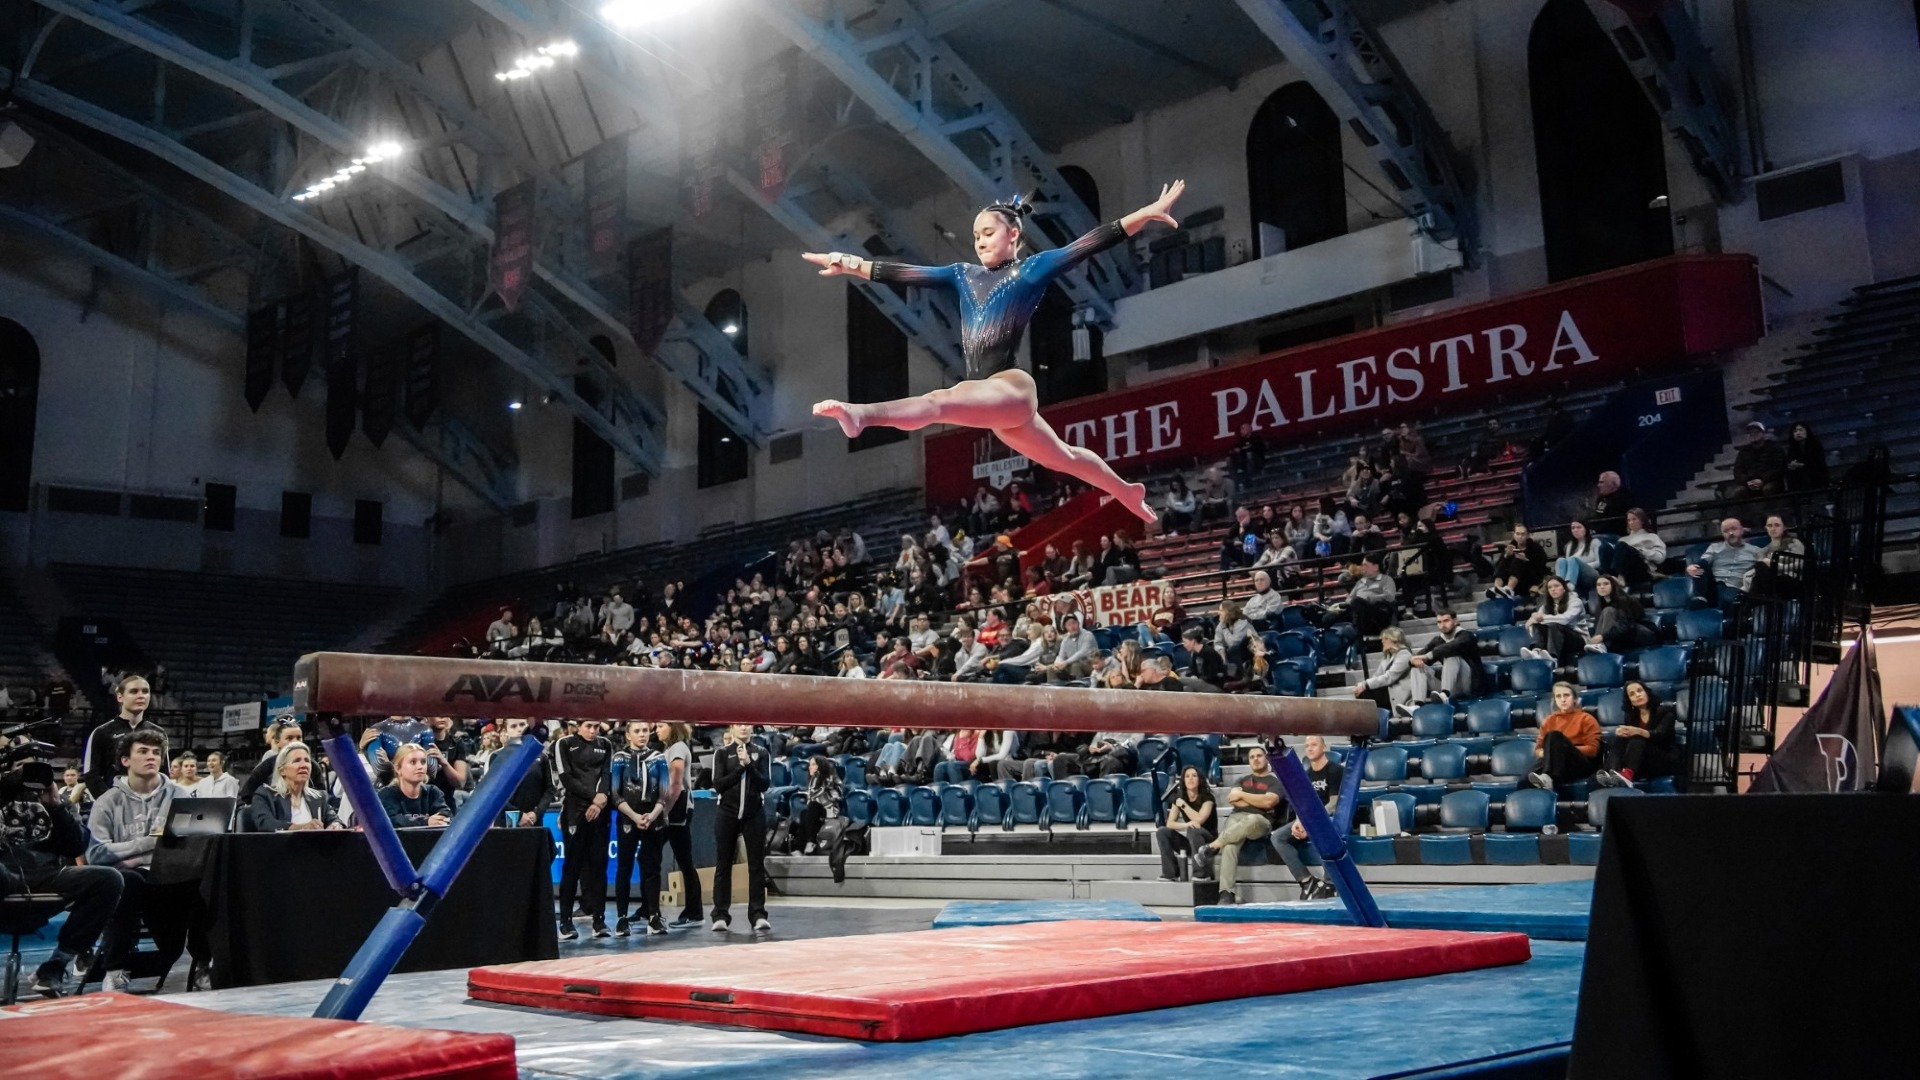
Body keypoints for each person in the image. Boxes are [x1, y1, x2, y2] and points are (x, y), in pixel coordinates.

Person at [806, 181, 1190, 524]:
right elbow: (905, 274)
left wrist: (1145, 213)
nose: (981, 241)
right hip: (995, 407)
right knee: (1066, 458)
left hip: (1011, 386)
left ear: (1014, 234)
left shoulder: (1029, 271)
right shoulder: (961, 274)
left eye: (988, 232)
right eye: (976, 236)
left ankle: (863, 415)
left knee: (940, 401)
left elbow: (1089, 243)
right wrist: (850, 263)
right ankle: (1126, 490)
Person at [7, 767, 124, 998]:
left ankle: (55, 966)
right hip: (3, 876)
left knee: (108, 879)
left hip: (46, 877)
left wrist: (55, 806)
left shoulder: (54, 799)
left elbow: (77, 846)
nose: (25, 774)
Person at [1191, 745, 1283, 905]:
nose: (1255, 759)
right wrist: (1254, 798)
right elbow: (1232, 799)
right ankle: (1226, 893)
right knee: (1230, 847)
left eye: (1259, 755)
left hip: (1261, 821)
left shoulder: (1274, 781)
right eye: (1252, 757)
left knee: (1252, 819)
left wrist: (1243, 795)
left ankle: (1213, 846)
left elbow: (1269, 802)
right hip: (1237, 817)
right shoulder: (1241, 780)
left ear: (1266, 759)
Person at [553, 718, 613, 940]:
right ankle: (566, 922)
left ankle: (599, 920)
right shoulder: (564, 744)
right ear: (577, 726)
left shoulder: (605, 744)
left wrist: (600, 800)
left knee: (599, 866)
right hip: (575, 812)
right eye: (588, 726)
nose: (593, 730)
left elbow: (606, 775)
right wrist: (593, 799)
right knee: (572, 866)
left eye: (596, 726)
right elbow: (566, 778)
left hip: (600, 811)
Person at [710, 724, 771, 934]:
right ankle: (720, 914)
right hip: (727, 813)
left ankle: (758, 914)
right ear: (732, 728)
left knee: (756, 865)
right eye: (739, 725)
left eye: (747, 724)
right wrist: (740, 767)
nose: (743, 728)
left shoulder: (761, 752)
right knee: (723, 864)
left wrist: (750, 765)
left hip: (753, 814)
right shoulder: (722, 753)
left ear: (752, 728)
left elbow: (764, 784)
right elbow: (718, 784)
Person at [1271, 735, 1342, 900]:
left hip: (1330, 818)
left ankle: (1330, 884)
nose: (1309, 748)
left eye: (1314, 745)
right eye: (1307, 745)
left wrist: (1309, 823)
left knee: (1322, 829)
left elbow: (1333, 804)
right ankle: (1307, 882)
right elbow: (1300, 804)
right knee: (1277, 837)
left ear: (1323, 747)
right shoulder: (1306, 775)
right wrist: (1299, 821)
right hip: (1308, 819)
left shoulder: (1335, 770)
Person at [645, 722, 701, 931]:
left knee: (682, 860)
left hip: (676, 809)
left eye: (660, 726)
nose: (656, 730)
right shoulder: (669, 749)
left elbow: (676, 784)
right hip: (672, 808)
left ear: (673, 727)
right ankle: (648, 907)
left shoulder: (677, 748)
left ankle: (694, 911)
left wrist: (664, 812)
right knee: (653, 856)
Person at [80, 674, 167, 796]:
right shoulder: (102, 732)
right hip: (114, 803)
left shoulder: (158, 732)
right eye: (134, 691)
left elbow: (164, 772)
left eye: (145, 691)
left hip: (150, 804)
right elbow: (91, 773)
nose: (141, 696)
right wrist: (110, 801)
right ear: (120, 697)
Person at [608, 721, 656, 936]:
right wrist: (635, 816)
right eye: (637, 731)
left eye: (645, 730)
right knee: (624, 868)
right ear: (628, 735)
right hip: (628, 818)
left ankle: (654, 915)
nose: (642, 735)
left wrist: (652, 815)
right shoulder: (619, 759)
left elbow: (663, 793)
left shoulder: (657, 757)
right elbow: (616, 794)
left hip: (652, 818)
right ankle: (621, 917)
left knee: (652, 868)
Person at [1593, 681, 1682, 788]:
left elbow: (1659, 735)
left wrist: (1637, 731)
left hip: (1663, 759)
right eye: (1632, 694)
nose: (1637, 695)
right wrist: (1622, 732)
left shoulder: (1665, 712)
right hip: (1642, 762)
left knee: (1637, 739)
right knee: (1621, 739)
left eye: (1639, 691)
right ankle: (1611, 772)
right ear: (1630, 701)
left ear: (1647, 692)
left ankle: (1627, 774)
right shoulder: (1631, 717)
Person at [245, 743, 342, 831]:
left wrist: (335, 825)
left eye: (307, 760)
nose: (304, 765)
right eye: (296, 761)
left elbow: (335, 819)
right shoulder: (265, 794)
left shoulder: (319, 797)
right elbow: (265, 824)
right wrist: (303, 827)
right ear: (282, 770)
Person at [1528, 682, 1601, 789]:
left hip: (1579, 763)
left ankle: (1549, 777)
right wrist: (1546, 752)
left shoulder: (1586, 719)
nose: (1563, 699)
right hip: (1554, 759)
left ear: (1575, 699)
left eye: (1566, 695)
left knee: (1554, 736)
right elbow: (1538, 749)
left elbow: (1593, 750)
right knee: (1524, 781)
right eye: (1558, 696)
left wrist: (1563, 749)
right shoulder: (1549, 720)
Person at [1154, 765, 1215, 882]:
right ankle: (1170, 873)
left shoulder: (1208, 798)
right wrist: (1185, 825)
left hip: (1210, 843)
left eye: (1194, 776)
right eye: (1187, 776)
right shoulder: (1180, 798)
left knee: (1193, 829)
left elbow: (1199, 820)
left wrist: (1183, 805)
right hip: (1192, 841)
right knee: (1162, 832)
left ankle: (1200, 874)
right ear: (1183, 780)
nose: (1190, 779)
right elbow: (1170, 823)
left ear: (1200, 779)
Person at [1351, 626, 1429, 715]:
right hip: (1389, 690)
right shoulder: (1388, 656)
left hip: (1400, 692)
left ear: (1395, 640)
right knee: (1363, 692)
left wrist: (1365, 684)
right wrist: (1363, 685)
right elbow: (1377, 675)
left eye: (1386, 638)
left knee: (1366, 693)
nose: (1382, 641)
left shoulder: (1404, 654)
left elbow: (1390, 677)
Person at [375, 744, 453, 828]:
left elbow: (446, 815)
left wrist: (439, 820)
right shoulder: (386, 795)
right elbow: (392, 821)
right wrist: (426, 822)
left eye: (423, 762)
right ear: (398, 768)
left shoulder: (433, 792)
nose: (420, 767)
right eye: (413, 762)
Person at [1409, 608, 1479, 701]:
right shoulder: (1438, 640)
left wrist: (1428, 655)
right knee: (1417, 667)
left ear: (1455, 621)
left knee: (1451, 655)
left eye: (1446, 621)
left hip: (1468, 684)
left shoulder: (1466, 636)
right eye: (1439, 622)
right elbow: (1421, 655)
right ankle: (1418, 704)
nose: (1443, 625)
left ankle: (1445, 694)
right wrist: (1413, 660)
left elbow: (1453, 646)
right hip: (1450, 685)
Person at [1687, 517, 1760, 606]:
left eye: (1734, 529)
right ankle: (1700, 598)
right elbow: (1704, 562)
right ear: (1723, 534)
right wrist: (1691, 567)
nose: (1730, 533)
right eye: (1726, 531)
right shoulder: (1715, 547)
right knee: (1701, 565)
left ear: (1742, 530)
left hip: (1738, 587)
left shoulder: (1755, 551)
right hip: (1714, 587)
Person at [498, 717, 555, 827]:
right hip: (508, 821)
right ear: (505, 731)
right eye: (513, 726)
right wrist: (518, 816)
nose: (519, 729)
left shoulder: (541, 757)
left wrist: (537, 813)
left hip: (533, 820)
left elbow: (550, 789)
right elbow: (495, 795)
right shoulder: (498, 757)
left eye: (522, 725)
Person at [1522, 575, 1586, 666]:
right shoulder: (1546, 605)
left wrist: (1542, 618)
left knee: (1554, 625)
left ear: (1564, 588)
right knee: (1539, 625)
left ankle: (1553, 658)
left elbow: (1565, 619)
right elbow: (1533, 622)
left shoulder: (1575, 601)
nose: (1553, 589)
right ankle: (1536, 651)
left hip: (1578, 639)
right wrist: (1533, 621)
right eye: (1550, 587)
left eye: (1556, 586)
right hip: (1557, 639)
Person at [1588, 575, 1658, 653]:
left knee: (1608, 610)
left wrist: (1602, 637)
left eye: (1606, 584)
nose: (1602, 587)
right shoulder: (1600, 606)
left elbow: (1625, 626)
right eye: (1599, 585)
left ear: (1613, 585)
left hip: (1640, 634)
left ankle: (1600, 645)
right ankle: (1599, 645)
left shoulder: (1624, 601)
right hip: (1623, 636)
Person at [1333, 553, 1398, 636]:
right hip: (1357, 608)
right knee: (1328, 616)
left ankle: (1357, 637)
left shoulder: (1386, 579)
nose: (1363, 568)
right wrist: (1350, 601)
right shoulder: (1360, 582)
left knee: (1358, 603)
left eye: (1366, 565)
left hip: (1376, 611)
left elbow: (1390, 596)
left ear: (1376, 567)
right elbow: (1349, 598)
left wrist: (1373, 598)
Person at [793, 754, 844, 856]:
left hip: (829, 809)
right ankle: (801, 847)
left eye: (813, 764)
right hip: (817, 810)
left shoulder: (828, 778)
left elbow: (835, 796)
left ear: (820, 766)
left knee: (813, 806)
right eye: (809, 765)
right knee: (804, 814)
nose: (810, 767)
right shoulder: (814, 779)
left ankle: (810, 843)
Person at [1488, 524, 1548, 599]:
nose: (1520, 537)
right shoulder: (1511, 546)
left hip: (1530, 578)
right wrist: (1506, 556)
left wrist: (1526, 560)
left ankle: (1509, 589)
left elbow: (1540, 568)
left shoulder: (1536, 549)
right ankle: (1497, 589)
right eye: (1517, 534)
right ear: (1514, 535)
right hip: (1510, 578)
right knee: (1503, 562)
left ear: (1528, 535)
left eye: (1523, 534)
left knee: (1518, 560)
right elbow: (1498, 567)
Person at [1731, 421, 1786, 496]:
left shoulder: (1775, 448)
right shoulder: (1743, 452)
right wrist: (1748, 482)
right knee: (1739, 491)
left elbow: (1778, 469)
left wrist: (1762, 480)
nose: (1753, 434)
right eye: (1750, 433)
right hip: (1749, 483)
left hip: (1771, 481)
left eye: (1756, 432)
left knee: (1768, 489)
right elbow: (1737, 472)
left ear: (1763, 433)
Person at [1618, 508, 1667, 583]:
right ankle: (1614, 577)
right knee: (1606, 548)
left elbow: (1660, 558)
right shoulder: (1622, 540)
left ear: (1642, 521)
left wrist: (1642, 551)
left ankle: (1621, 576)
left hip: (1643, 567)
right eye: (1629, 520)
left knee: (1622, 546)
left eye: (1634, 519)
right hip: (1626, 568)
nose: (1631, 522)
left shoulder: (1652, 537)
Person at [1781, 422, 1828, 492]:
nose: (1798, 433)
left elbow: (1817, 463)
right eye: (1795, 431)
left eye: (1800, 430)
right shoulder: (1792, 449)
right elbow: (1790, 461)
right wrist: (1791, 465)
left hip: (1816, 473)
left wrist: (1800, 465)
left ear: (1807, 431)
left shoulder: (1816, 445)